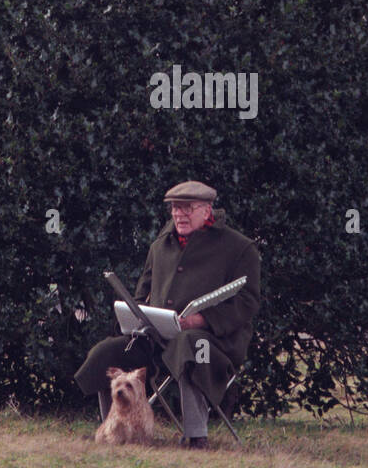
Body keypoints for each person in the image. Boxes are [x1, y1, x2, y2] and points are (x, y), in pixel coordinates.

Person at [74, 180, 261, 449]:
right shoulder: (160, 245)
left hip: (213, 344)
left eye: (187, 208)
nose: (178, 214)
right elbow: (142, 293)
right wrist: (134, 314)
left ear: (207, 210)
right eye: (174, 208)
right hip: (157, 340)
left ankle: (196, 436)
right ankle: (111, 430)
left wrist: (202, 320)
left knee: (190, 345)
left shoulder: (240, 248)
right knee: (107, 351)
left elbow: (248, 302)